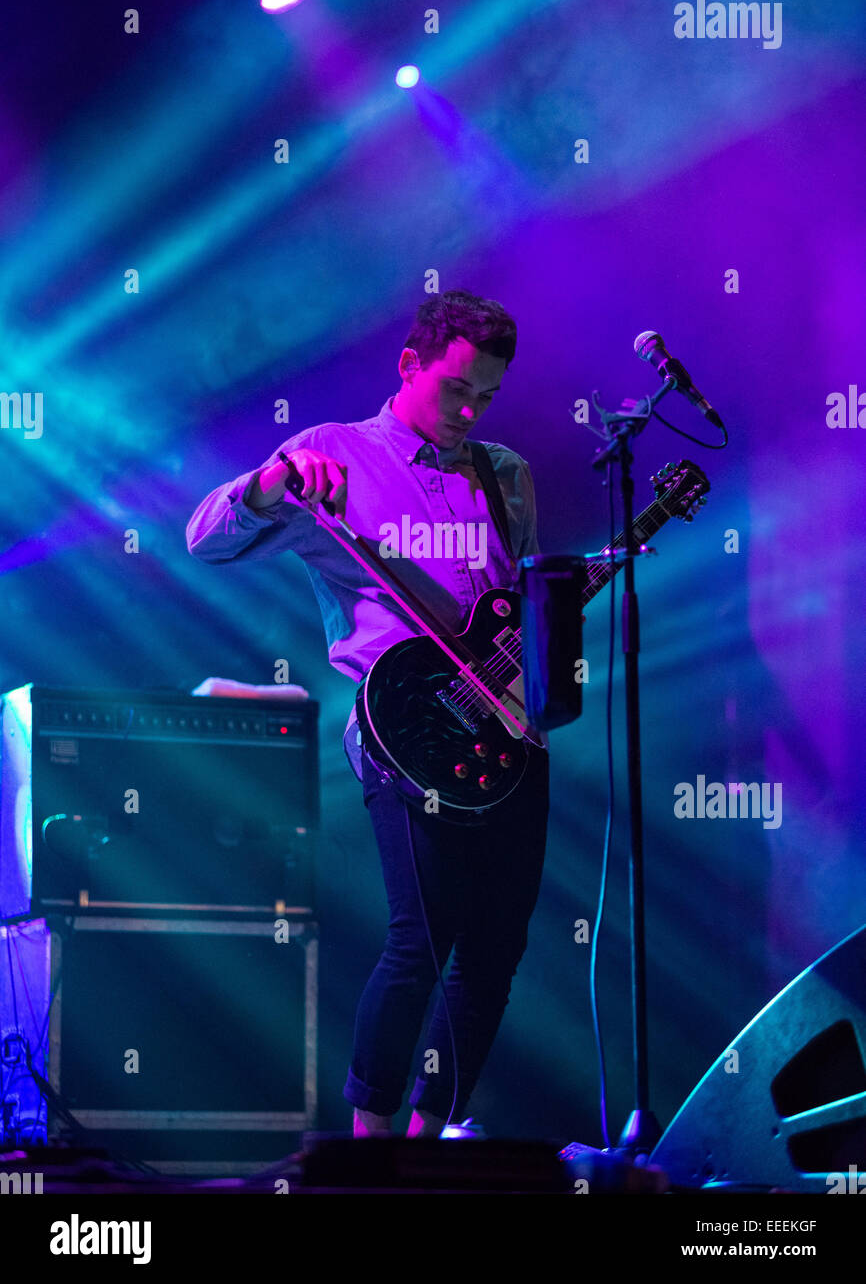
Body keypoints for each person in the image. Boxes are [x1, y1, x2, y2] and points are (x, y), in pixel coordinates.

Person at [186, 289, 550, 1138]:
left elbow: (518, 612)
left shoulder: (507, 476)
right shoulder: (335, 455)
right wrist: (273, 483)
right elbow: (206, 536)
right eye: (457, 387)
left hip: (502, 733)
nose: (470, 410)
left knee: (495, 954)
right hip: (404, 732)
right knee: (419, 943)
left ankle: (435, 1138)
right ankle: (372, 1147)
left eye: (487, 397)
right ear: (410, 365)